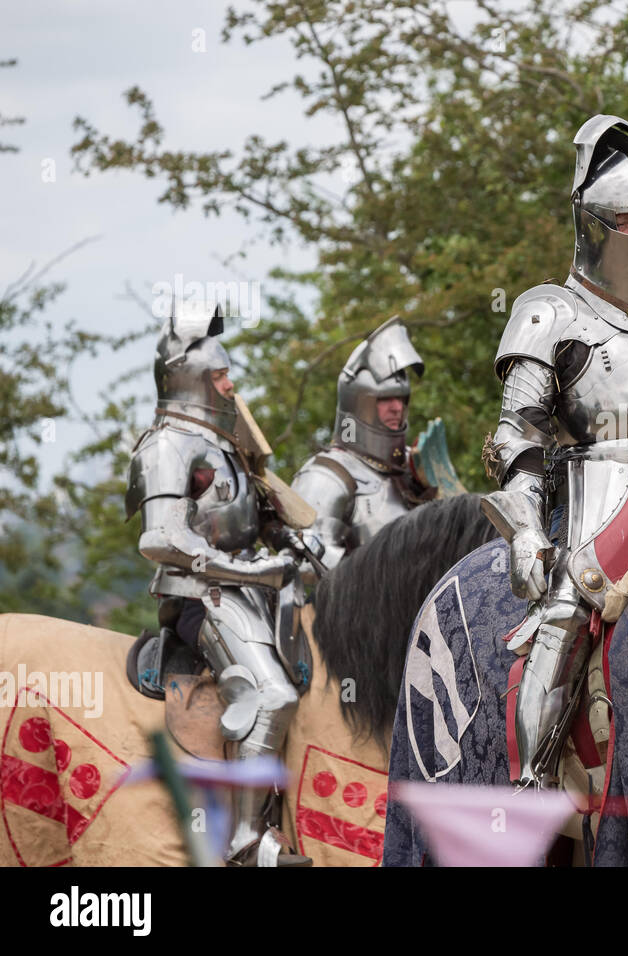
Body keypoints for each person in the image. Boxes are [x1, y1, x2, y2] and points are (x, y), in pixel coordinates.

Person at [481, 114, 628, 788]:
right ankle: (533, 788)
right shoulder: (550, 312)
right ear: (594, 226)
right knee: (564, 621)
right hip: (600, 516)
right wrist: (525, 531)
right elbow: (517, 437)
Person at [125, 303, 310, 865]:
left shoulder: (226, 445)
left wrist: (292, 540)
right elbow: (160, 540)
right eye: (220, 376)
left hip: (253, 590)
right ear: (191, 380)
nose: (231, 385)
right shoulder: (166, 447)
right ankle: (245, 842)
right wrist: (246, 571)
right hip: (199, 597)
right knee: (272, 696)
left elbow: (250, 523)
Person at [291, 317, 437, 584]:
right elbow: (304, 563)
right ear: (359, 404)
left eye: (402, 399)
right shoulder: (327, 475)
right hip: (355, 621)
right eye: (386, 400)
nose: (397, 408)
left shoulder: (414, 467)